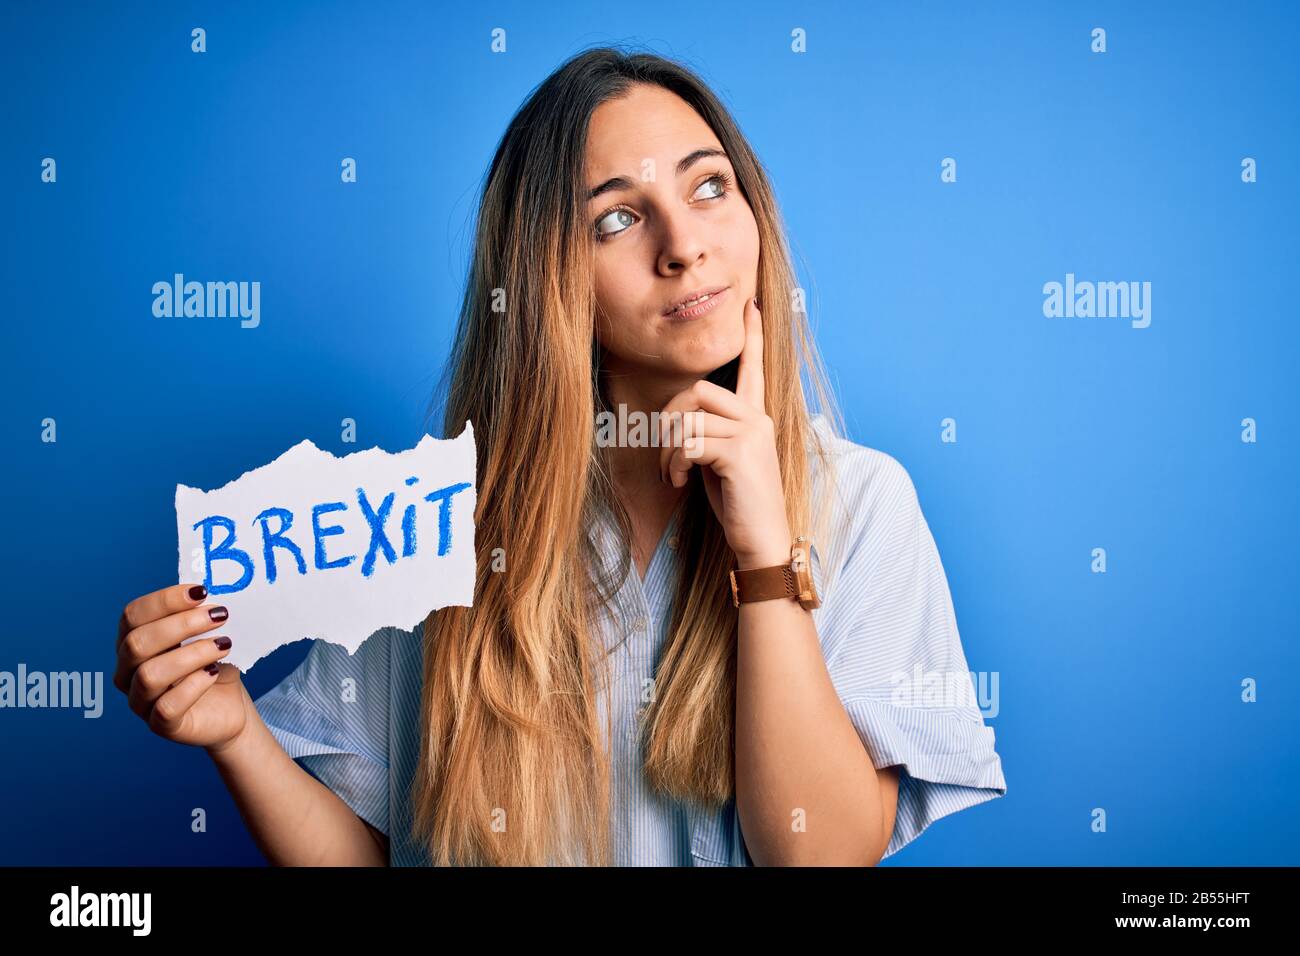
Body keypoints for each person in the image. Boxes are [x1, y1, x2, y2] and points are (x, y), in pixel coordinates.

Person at [113, 46, 1006, 866]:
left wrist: (765, 556)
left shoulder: (861, 505)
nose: (685, 246)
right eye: (618, 218)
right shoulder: (439, 529)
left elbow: (819, 855)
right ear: (547, 278)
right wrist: (235, 734)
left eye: (708, 188)